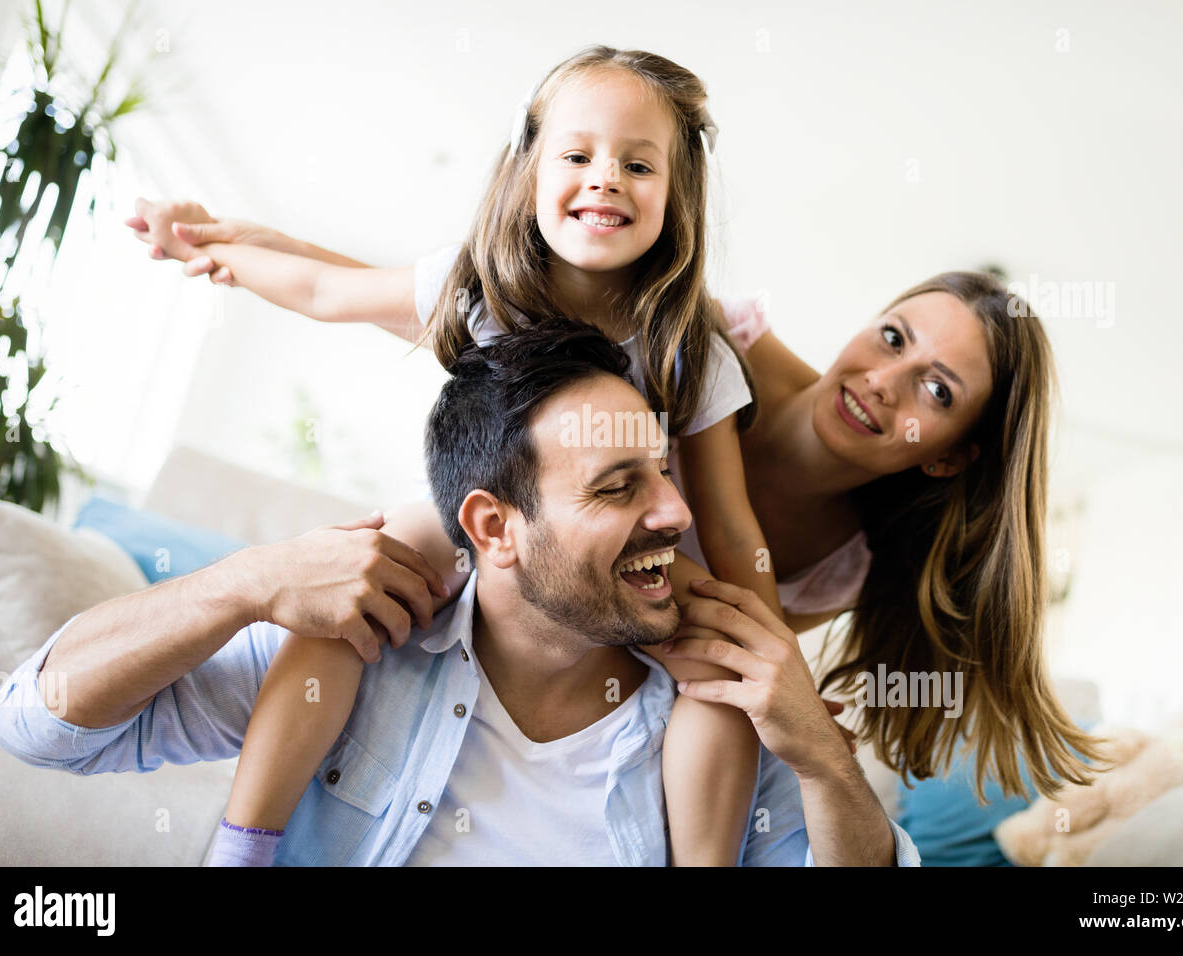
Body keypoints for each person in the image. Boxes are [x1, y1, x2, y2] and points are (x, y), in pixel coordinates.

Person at [128, 45, 780, 867]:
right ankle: (245, 841)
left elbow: (726, 518)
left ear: (677, 192)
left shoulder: (692, 345)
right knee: (350, 584)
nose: (606, 177)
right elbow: (328, 291)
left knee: (725, 672)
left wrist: (771, 654)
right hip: (475, 514)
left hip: (614, 552)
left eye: (638, 164)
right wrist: (218, 254)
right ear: (529, 170)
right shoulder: (479, 285)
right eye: (577, 155)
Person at [0, 320, 920, 866]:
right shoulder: (360, 658)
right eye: (617, 485)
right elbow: (35, 722)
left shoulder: (714, 721)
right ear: (492, 528)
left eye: (662, 473)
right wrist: (246, 582)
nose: (677, 512)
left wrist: (826, 764)